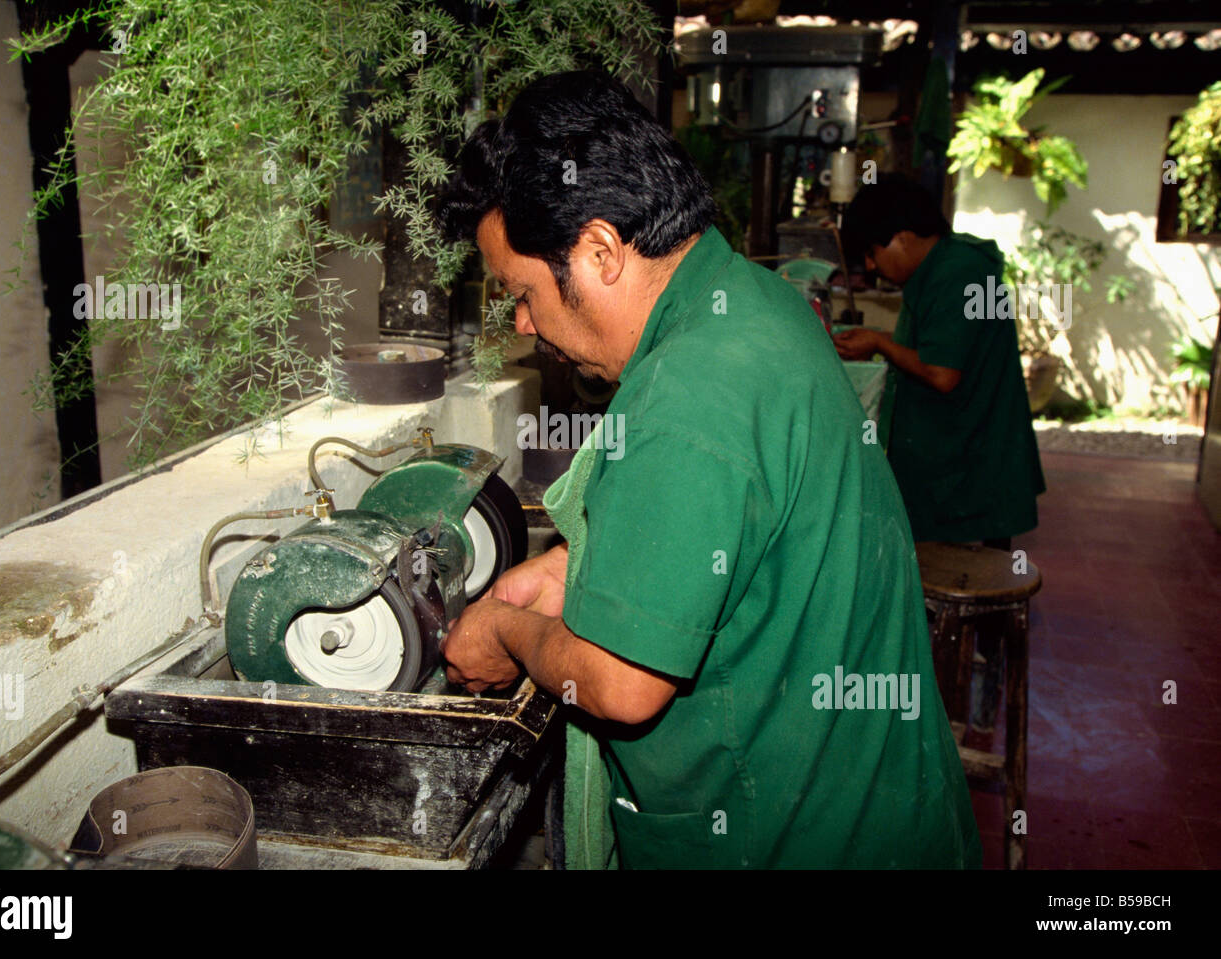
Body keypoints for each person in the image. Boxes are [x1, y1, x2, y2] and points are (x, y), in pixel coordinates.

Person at [437, 71, 980, 869]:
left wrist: (508, 634)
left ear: (599, 251)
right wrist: (578, 569)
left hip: (790, 835)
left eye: (521, 292)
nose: (523, 321)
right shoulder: (752, 303)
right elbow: (744, 536)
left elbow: (620, 684)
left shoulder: (683, 394)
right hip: (874, 801)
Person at [832, 175, 1046, 739]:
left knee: (977, 601)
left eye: (875, 255)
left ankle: (969, 715)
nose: (875, 269)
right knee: (962, 597)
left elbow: (943, 373)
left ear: (901, 238)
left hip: (972, 464)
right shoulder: (946, 266)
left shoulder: (958, 274)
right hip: (958, 456)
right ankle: (959, 703)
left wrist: (878, 343)